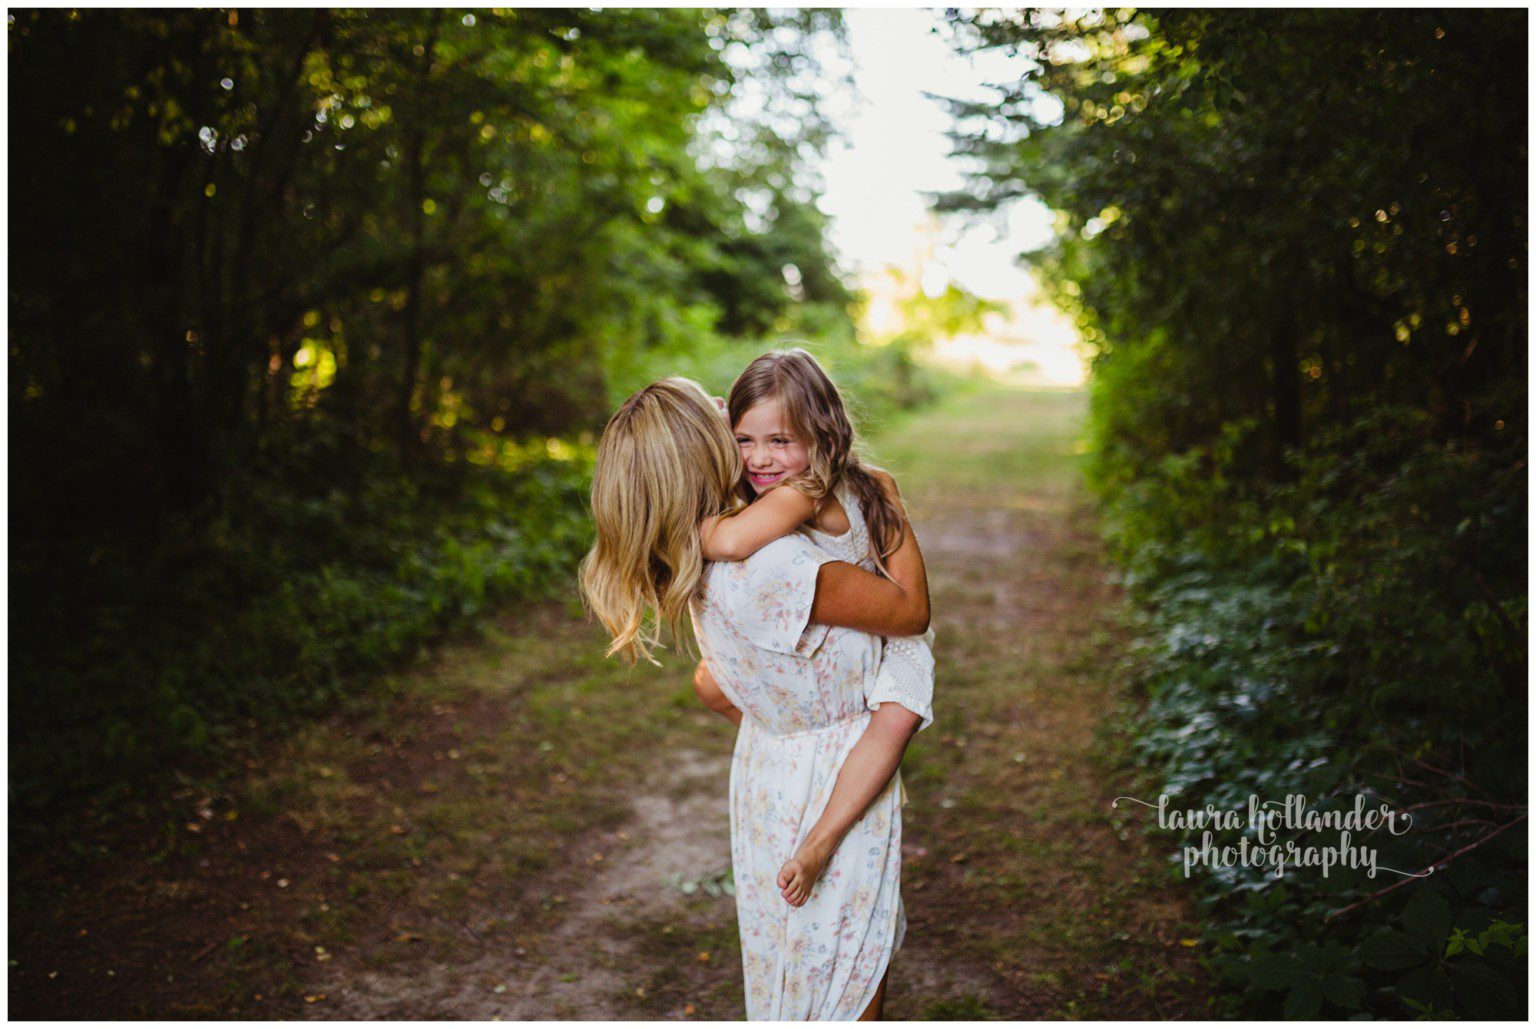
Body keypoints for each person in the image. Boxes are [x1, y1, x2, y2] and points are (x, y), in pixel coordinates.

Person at [579, 377, 930, 1020]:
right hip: (827, 781)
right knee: (842, 986)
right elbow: (908, 613)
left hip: (773, 772)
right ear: (702, 447)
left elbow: (715, 683)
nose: (725, 404)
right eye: (717, 411)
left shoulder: (714, 546)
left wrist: (779, 718)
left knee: (799, 972)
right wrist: (890, 499)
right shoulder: (775, 566)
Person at [693, 348, 936, 754]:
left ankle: (793, 744)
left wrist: (660, 522)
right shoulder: (856, 481)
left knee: (714, 684)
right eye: (743, 440)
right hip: (859, 633)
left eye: (780, 441)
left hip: (870, 647)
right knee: (710, 681)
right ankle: (786, 739)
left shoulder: (799, 492)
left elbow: (730, 541)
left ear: (821, 436)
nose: (759, 458)